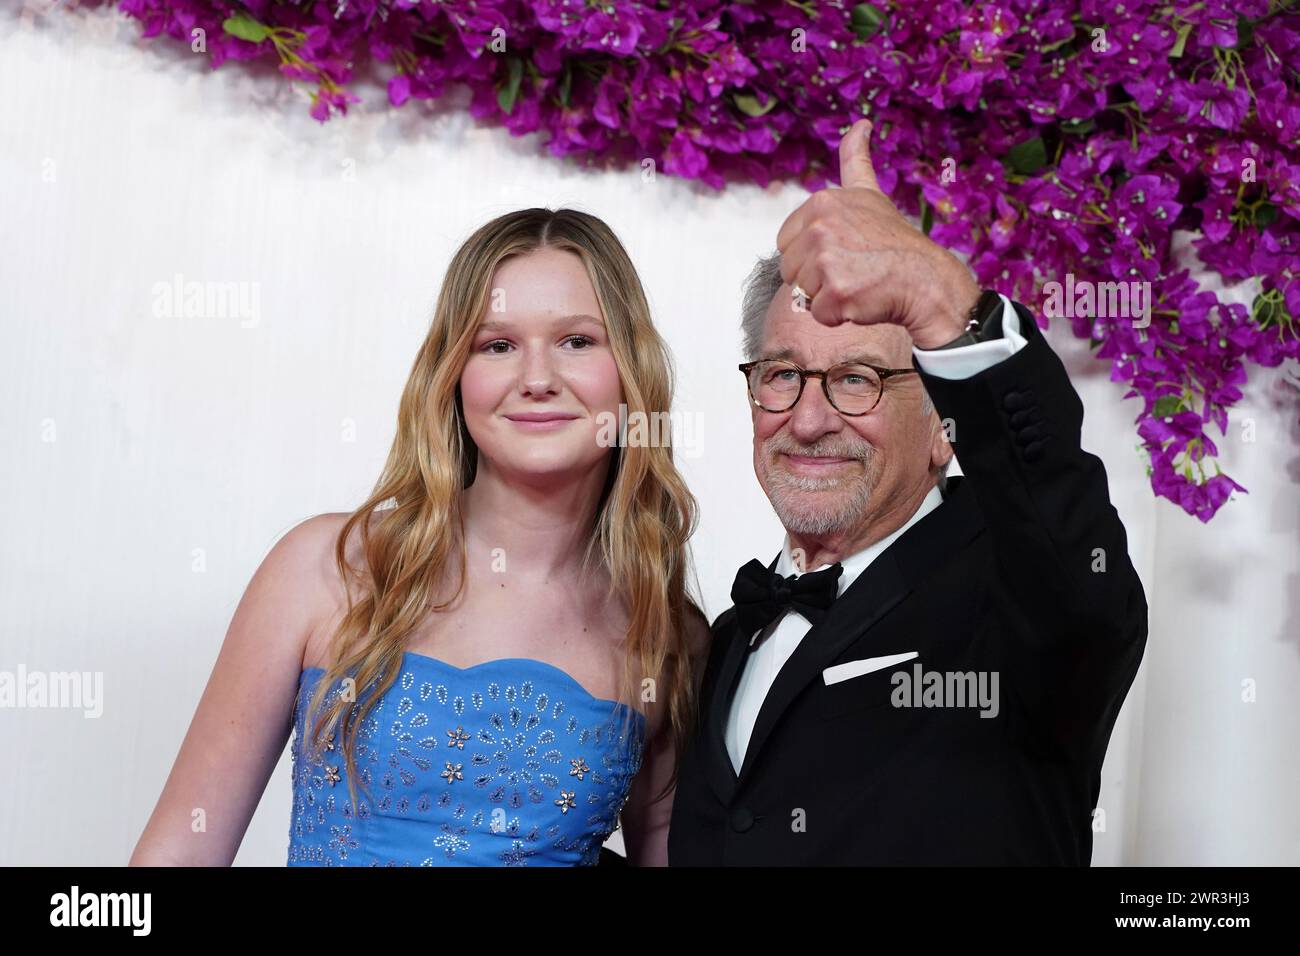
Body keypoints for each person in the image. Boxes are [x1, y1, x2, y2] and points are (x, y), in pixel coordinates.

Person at [130, 208, 708, 866]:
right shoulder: (328, 569)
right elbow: (179, 852)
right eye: (497, 345)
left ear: (631, 371)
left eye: (577, 340)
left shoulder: (666, 633)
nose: (538, 377)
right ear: (454, 376)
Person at [668, 119, 1149, 865]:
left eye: (857, 379)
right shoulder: (727, 637)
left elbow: (1059, 520)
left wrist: (940, 304)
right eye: (782, 374)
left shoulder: (1016, 600)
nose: (809, 418)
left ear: (945, 430)